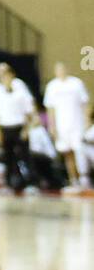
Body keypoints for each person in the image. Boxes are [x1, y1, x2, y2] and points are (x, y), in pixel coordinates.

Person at [0, 62, 35, 194]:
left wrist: (27, 128)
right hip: (4, 127)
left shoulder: (19, 85)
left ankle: (30, 183)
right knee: (7, 157)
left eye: (5, 72)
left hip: (19, 126)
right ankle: (9, 184)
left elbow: (29, 108)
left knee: (25, 156)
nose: (2, 76)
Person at [43, 63, 91, 193]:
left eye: (63, 69)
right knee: (67, 153)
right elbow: (50, 108)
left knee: (80, 151)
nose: (61, 71)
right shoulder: (52, 86)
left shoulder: (76, 83)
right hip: (62, 125)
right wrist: (52, 126)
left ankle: (85, 179)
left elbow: (85, 103)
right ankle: (73, 180)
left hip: (77, 123)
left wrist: (87, 121)